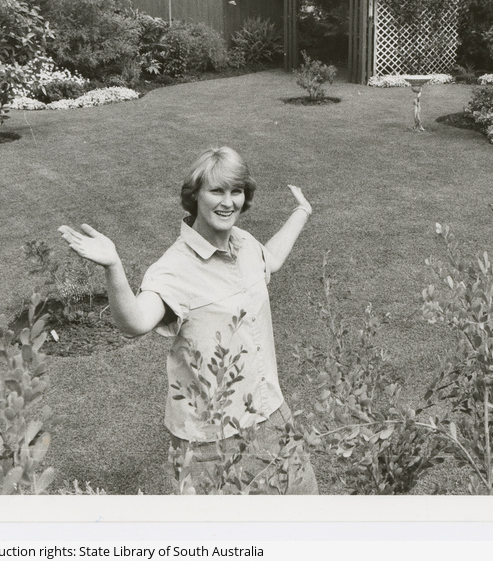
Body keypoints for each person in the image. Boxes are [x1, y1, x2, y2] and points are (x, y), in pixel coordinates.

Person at [58, 146, 318, 494]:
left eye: (236, 191)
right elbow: (134, 322)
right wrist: (113, 266)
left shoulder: (244, 243)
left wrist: (301, 212)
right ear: (195, 196)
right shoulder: (174, 270)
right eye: (217, 191)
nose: (228, 202)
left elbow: (270, 260)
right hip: (214, 442)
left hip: (272, 414)